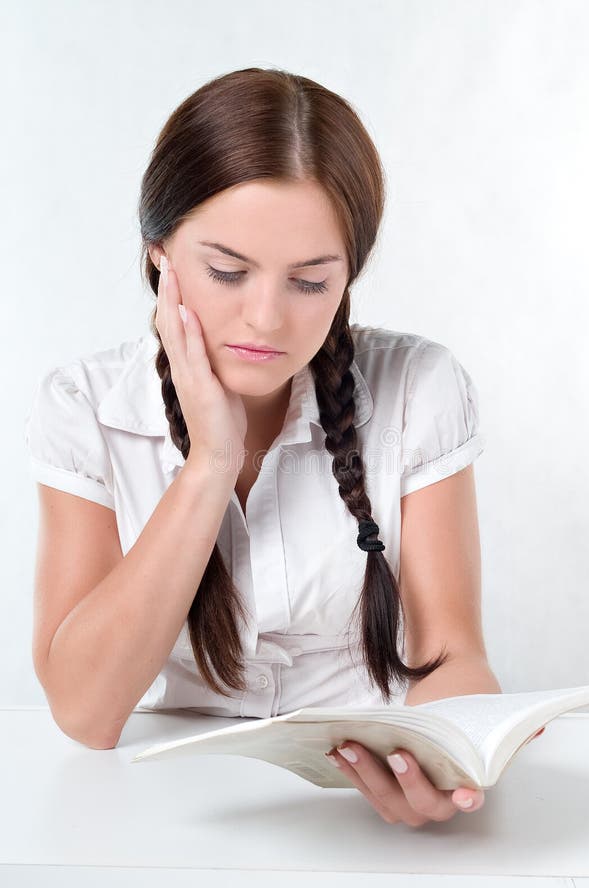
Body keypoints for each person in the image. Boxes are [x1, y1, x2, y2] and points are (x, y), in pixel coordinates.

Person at [24, 67, 520, 828]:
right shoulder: (85, 406)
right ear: (159, 254)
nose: (265, 319)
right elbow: (86, 713)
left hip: (363, 795)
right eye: (227, 272)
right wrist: (209, 466)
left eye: (309, 282)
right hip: (167, 804)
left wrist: (454, 753)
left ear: (348, 274)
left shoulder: (418, 387)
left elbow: (452, 655)